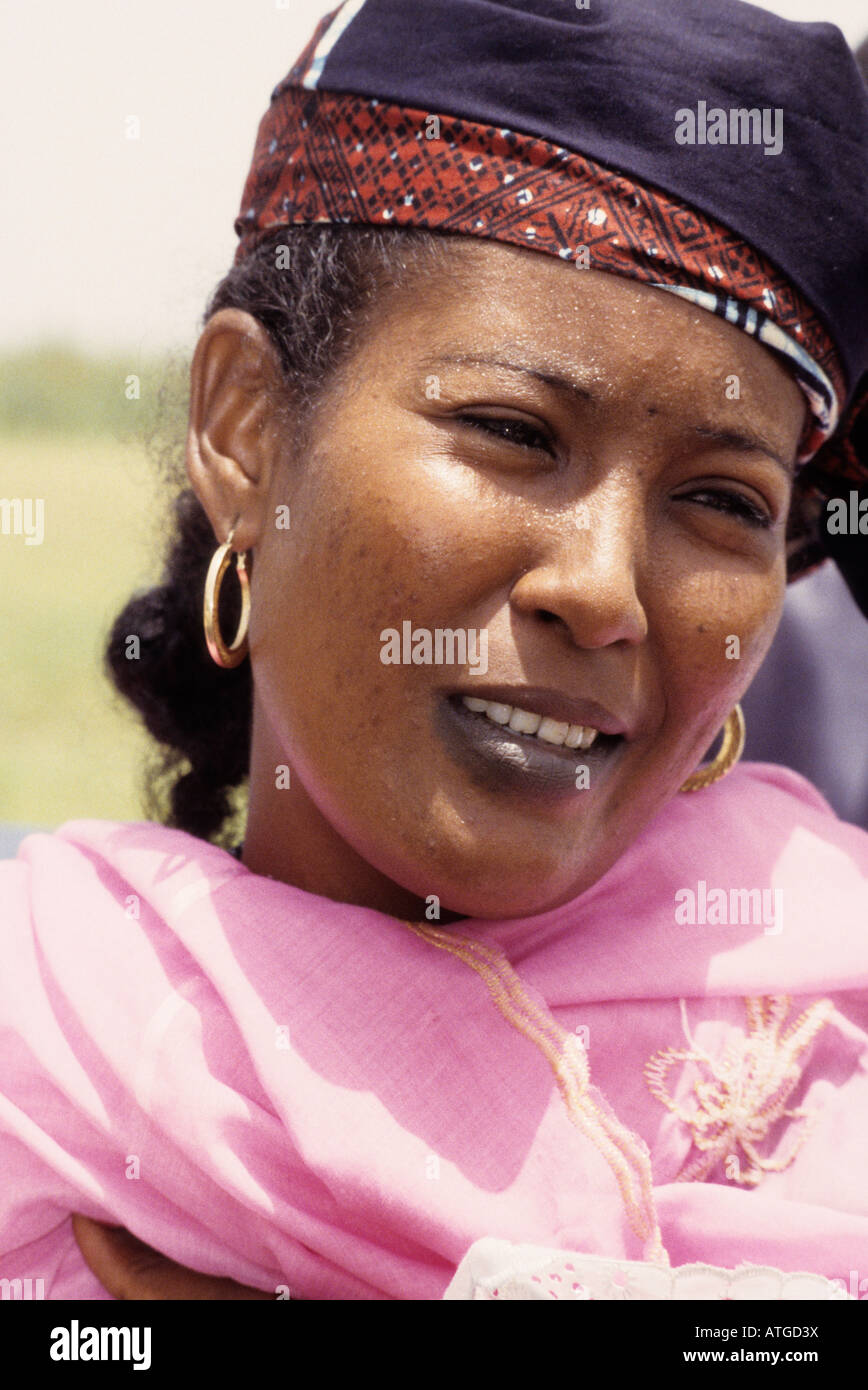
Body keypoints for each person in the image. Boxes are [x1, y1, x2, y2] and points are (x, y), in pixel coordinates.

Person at [2, 0, 868, 1302]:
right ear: (246, 431)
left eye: (722, 500)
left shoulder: (833, 1017)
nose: (601, 589)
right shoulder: (50, 1038)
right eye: (514, 432)